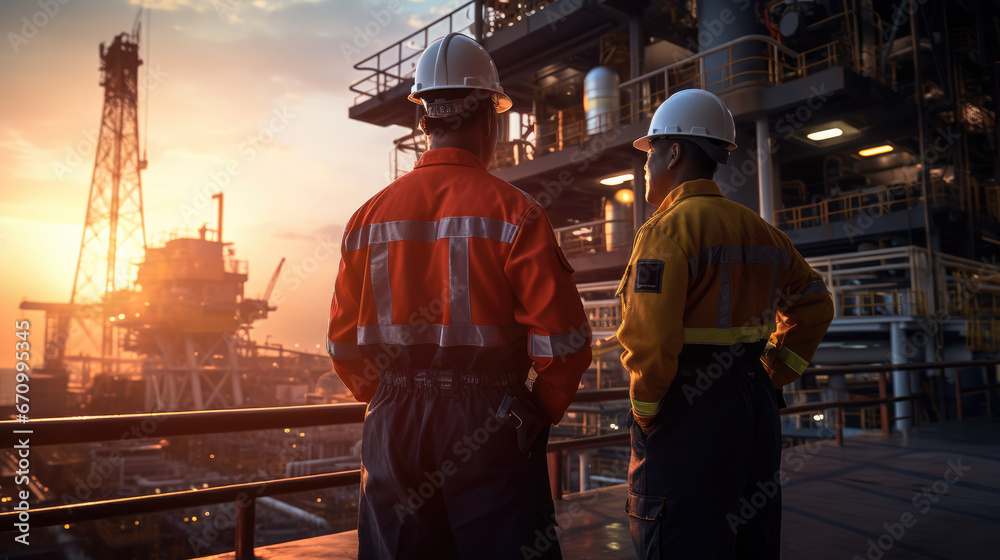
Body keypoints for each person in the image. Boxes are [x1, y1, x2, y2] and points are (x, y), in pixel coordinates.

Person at [326, 33, 592, 560]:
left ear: (423, 118)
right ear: (489, 119)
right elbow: (563, 345)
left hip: (393, 421)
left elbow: (342, 347)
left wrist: (392, 397)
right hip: (490, 418)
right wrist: (533, 411)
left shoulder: (366, 219)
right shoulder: (517, 215)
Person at [617, 89, 834, 559]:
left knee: (679, 535)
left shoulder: (666, 231)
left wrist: (646, 412)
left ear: (674, 152)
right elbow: (816, 306)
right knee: (751, 535)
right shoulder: (764, 232)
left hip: (687, 406)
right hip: (752, 401)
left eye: (651, 151)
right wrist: (773, 372)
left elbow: (651, 344)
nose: (647, 163)